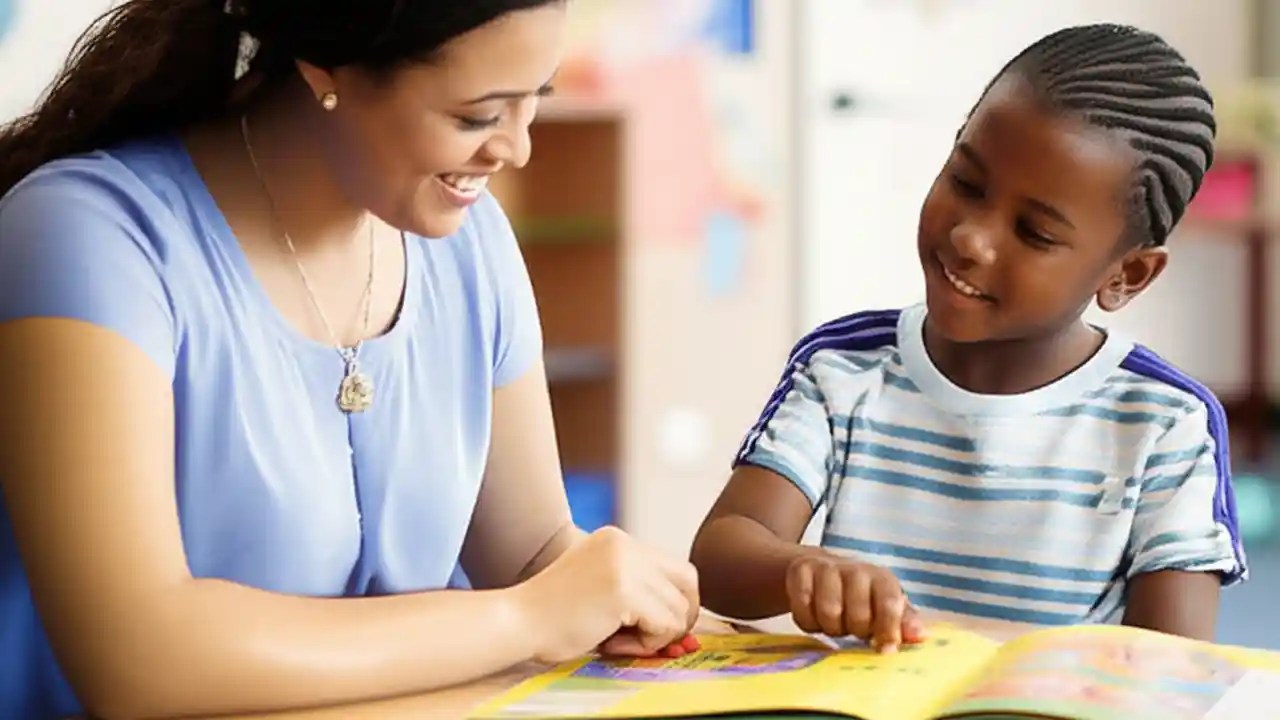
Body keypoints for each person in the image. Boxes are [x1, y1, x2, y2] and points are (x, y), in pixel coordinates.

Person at [0, 1, 700, 718]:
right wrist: (529, 617)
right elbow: (137, 662)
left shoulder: (470, 242)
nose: (518, 150)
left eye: (534, 101)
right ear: (324, 73)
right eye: (478, 116)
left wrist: (614, 594)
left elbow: (530, 554)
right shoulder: (89, 236)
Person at [691, 23, 1245, 654]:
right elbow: (720, 554)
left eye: (1034, 232)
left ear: (1127, 275)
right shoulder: (843, 370)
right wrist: (798, 571)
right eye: (966, 182)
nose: (970, 239)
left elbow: (1174, 667)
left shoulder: (1166, 424)